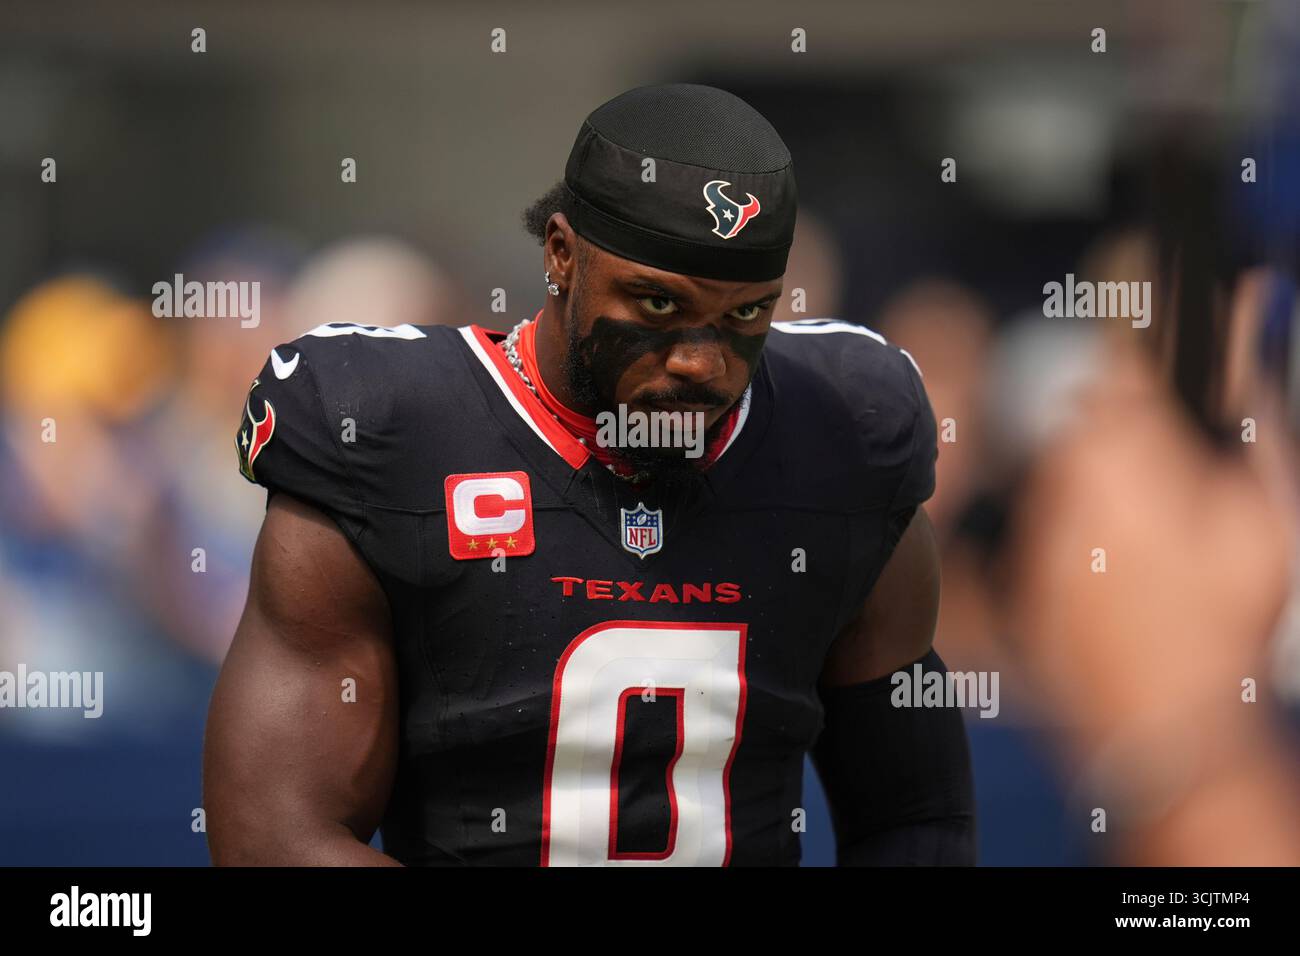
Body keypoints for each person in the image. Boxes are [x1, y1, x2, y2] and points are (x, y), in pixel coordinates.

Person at [203, 83, 974, 866]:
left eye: (746, 315)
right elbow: (272, 837)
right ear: (562, 255)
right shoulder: (387, 428)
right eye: (657, 304)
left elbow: (917, 820)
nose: (701, 362)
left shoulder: (845, 432)